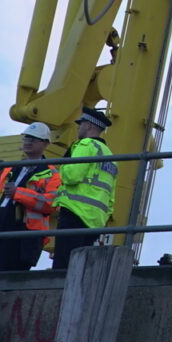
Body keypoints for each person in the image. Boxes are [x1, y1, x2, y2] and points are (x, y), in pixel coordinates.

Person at [0, 123, 60, 272]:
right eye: (26, 138)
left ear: (45, 144)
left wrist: (18, 193)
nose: (28, 142)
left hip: (25, 236)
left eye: (34, 139)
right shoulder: (10, 168)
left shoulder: (52, 174)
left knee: (11, 276)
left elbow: (50, 203)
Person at [50, 107, 117, 271]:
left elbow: (72, 176)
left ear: (88, 126)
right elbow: (111, 198)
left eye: (81, 124)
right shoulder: (110, 156)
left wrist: (63, 166)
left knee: (63, 265)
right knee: (80, 266)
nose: (78, 128)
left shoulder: (85, 144)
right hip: (95, 219)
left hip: (74, 211)